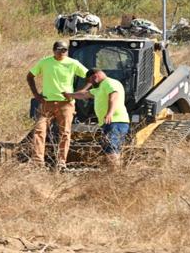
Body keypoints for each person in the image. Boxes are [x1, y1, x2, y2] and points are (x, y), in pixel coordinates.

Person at [24, 40, 89, 171]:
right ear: (53, 50)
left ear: (67, 51)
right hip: (47, 103)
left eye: (64, 50)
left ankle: (61, 162)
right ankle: (37, 162)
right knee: (39, 131)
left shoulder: (73, 63)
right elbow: (30, 76)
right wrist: (36, 94)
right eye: (59, 50)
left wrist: (78, 93)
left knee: (64, 132)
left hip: (66, 105)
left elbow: (91, 77)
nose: (61, 53)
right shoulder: (45, 62)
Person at [81, 68, 131, 168]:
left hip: (115, 121)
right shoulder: (100, 87)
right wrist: (68, 95)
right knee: (111, 147)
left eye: (90, 80)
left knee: (111, 147)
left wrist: (110, 113)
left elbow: (114, 96)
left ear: (96, 76)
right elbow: (83, 94)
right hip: (110, 122)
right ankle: (114, 172)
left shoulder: (109, 82)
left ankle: (114, 174)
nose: (90, 83)